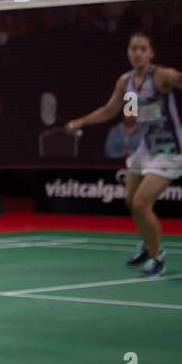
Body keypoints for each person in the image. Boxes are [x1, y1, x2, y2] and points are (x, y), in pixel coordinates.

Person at [67, 31, 182, 276]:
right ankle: (148, 244)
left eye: (143, 49)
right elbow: (116, 112)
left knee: (142, 203)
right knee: (131, 200)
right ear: (128, 52)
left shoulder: (161, 76)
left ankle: (156, 255)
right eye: (133, 49)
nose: (138, 53)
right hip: (145, 148)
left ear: (151, 53)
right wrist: (81, 122)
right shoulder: (126, 82)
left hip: (170, 150)